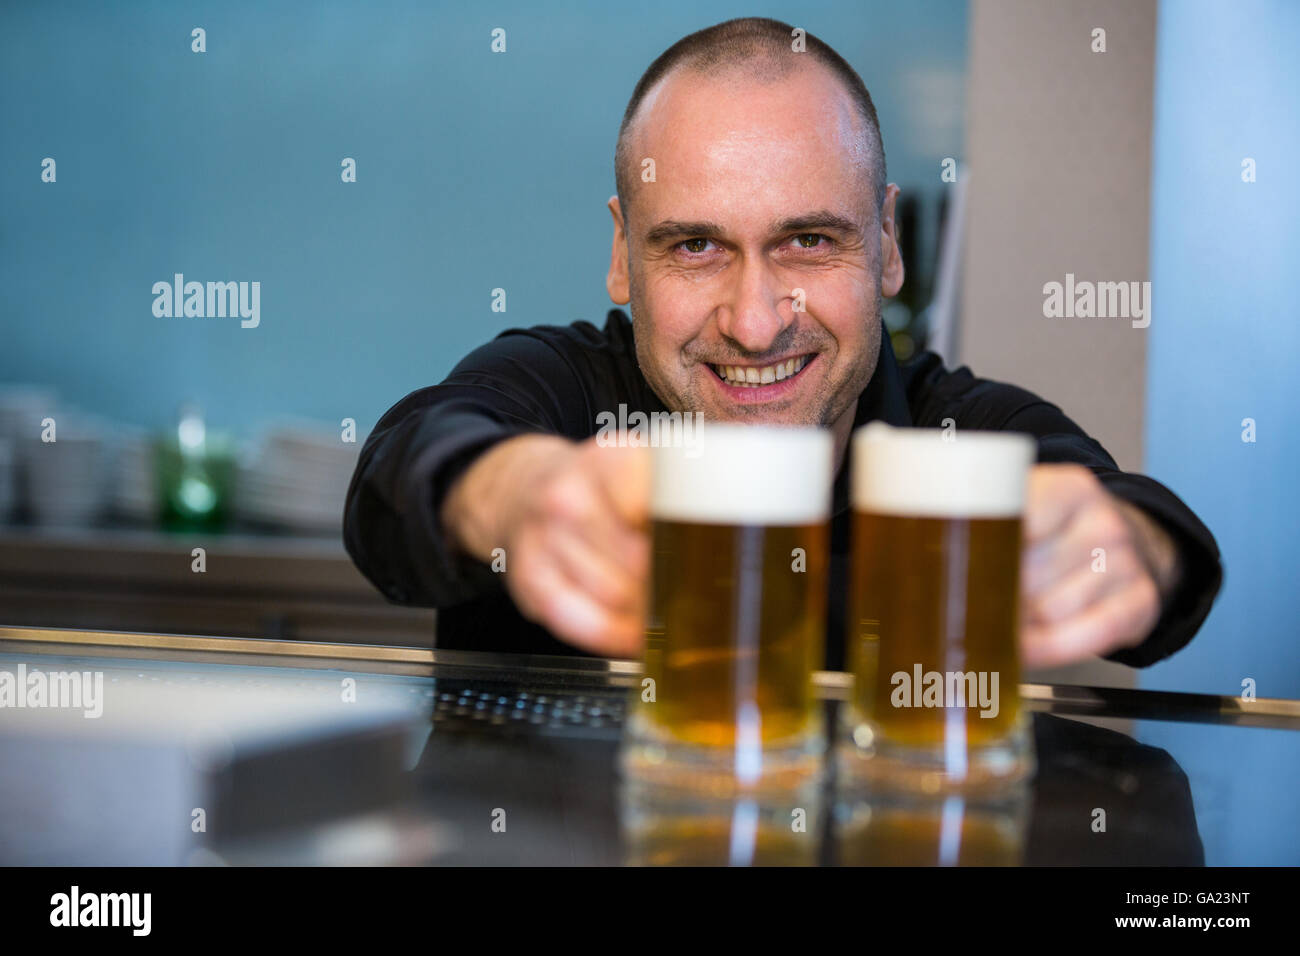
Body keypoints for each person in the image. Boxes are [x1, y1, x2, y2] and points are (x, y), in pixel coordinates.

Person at [343, 17, 1221, 671]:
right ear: (621, 254)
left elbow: (1151, 537)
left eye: (808, 241)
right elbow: (401, 474)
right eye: (695, 246)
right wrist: (511, 495)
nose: (755, 322)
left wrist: (1129, 550)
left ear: (886, 243)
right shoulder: (562, 389)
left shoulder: (952, 434)